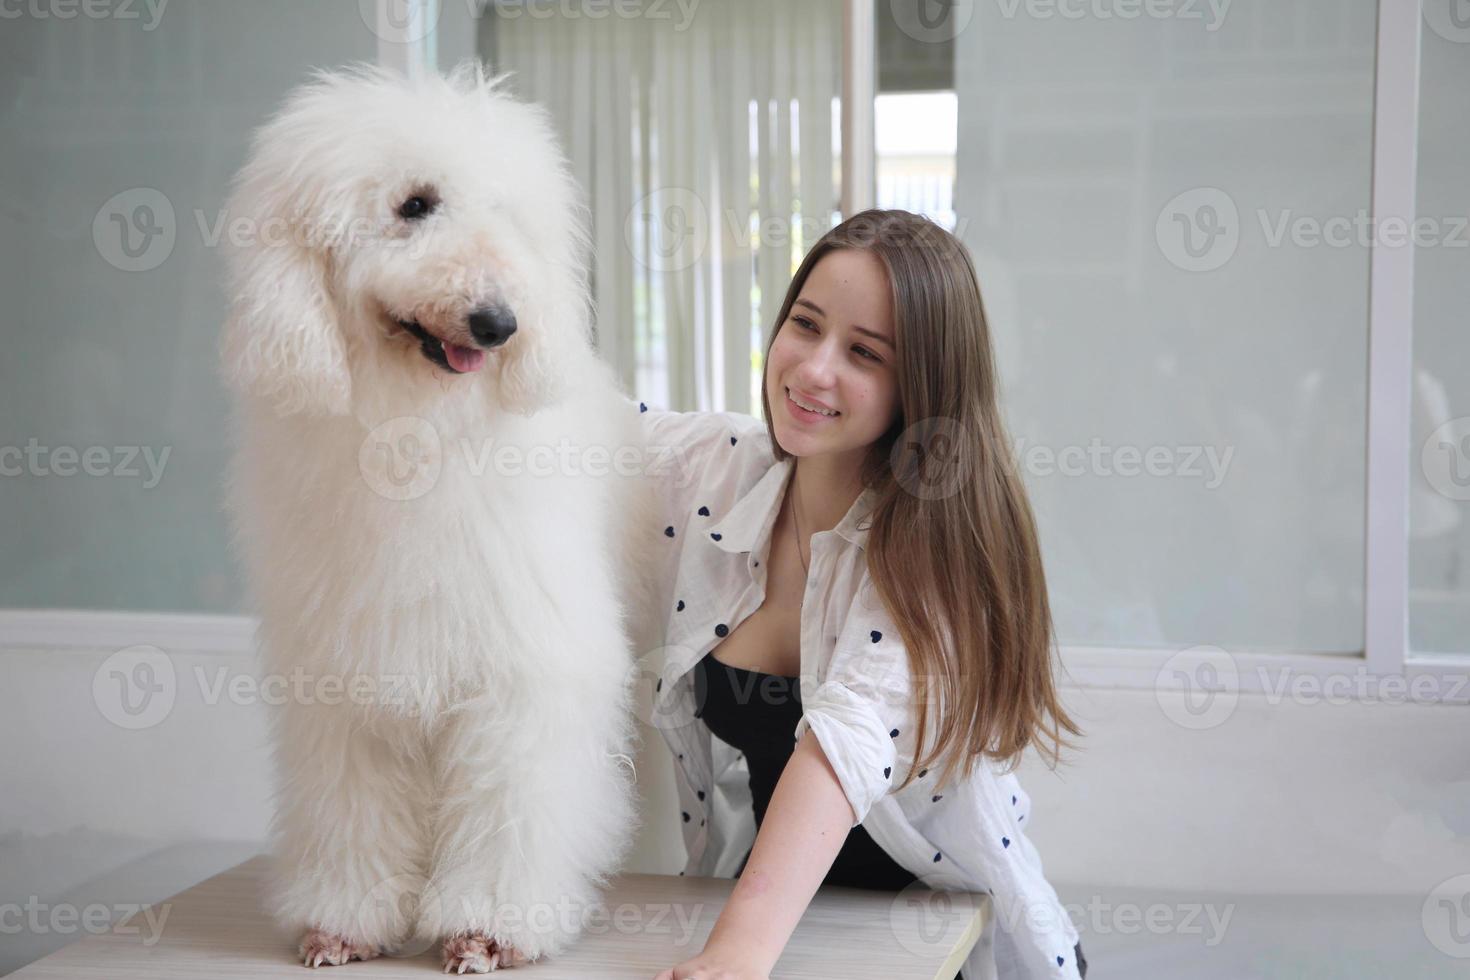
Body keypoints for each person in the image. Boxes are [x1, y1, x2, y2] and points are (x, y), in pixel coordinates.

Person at [639, 209, 1087, 980]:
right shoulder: (723, 471)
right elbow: (574, 431)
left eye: (864, 354)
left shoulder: (927, 556)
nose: (814, 369)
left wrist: (737, 957)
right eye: (804, 325)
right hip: (805, 931)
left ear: (921, 387)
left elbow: (838, 748)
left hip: (942, 946)